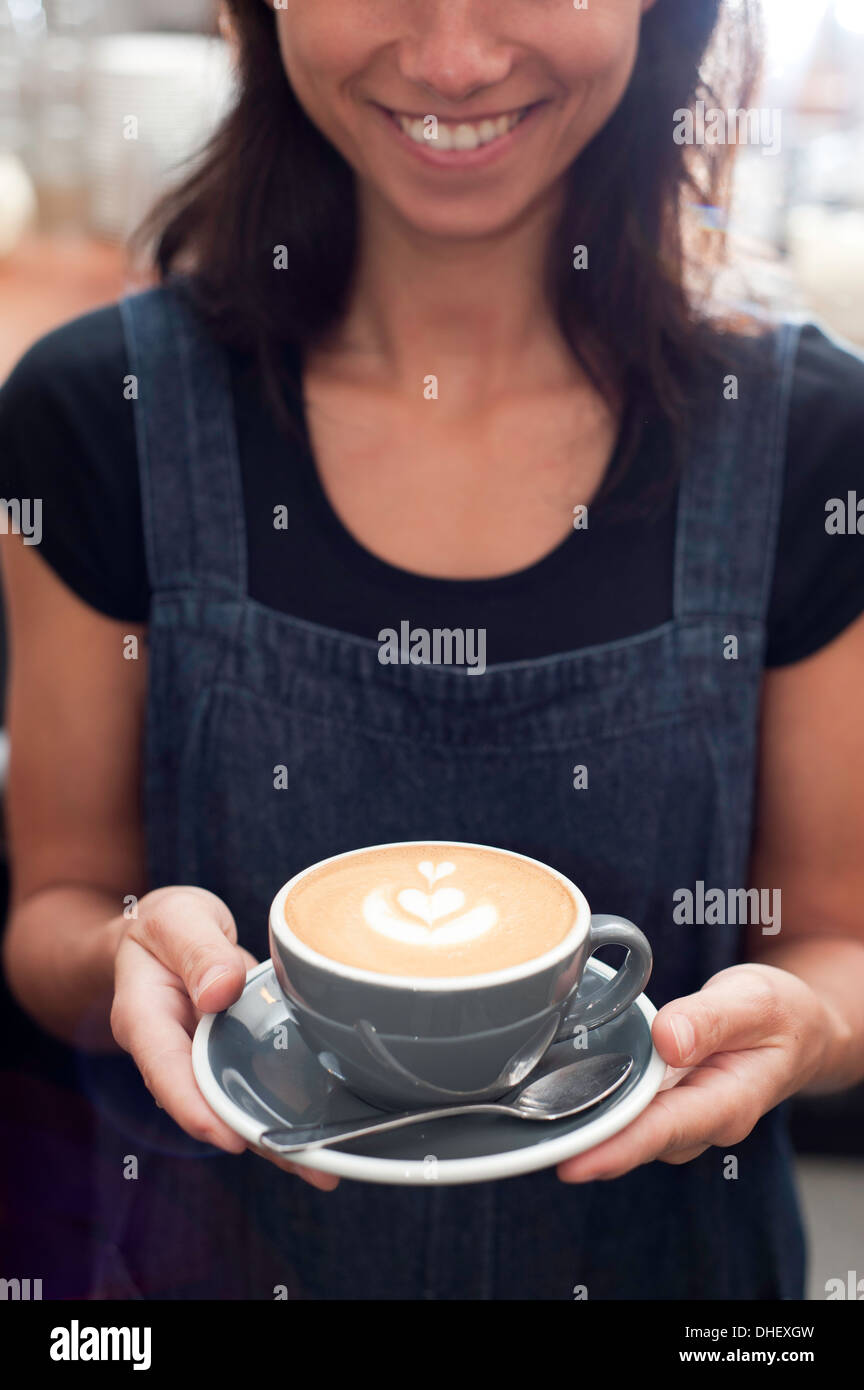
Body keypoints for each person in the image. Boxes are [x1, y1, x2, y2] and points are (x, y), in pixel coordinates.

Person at [1, 0, 863, 1300]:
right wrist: (122, 949)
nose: (455, 57)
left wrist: (821, 1021)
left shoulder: (808, 439)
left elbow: (837, 936)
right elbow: (55, 903)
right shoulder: (92, 414)